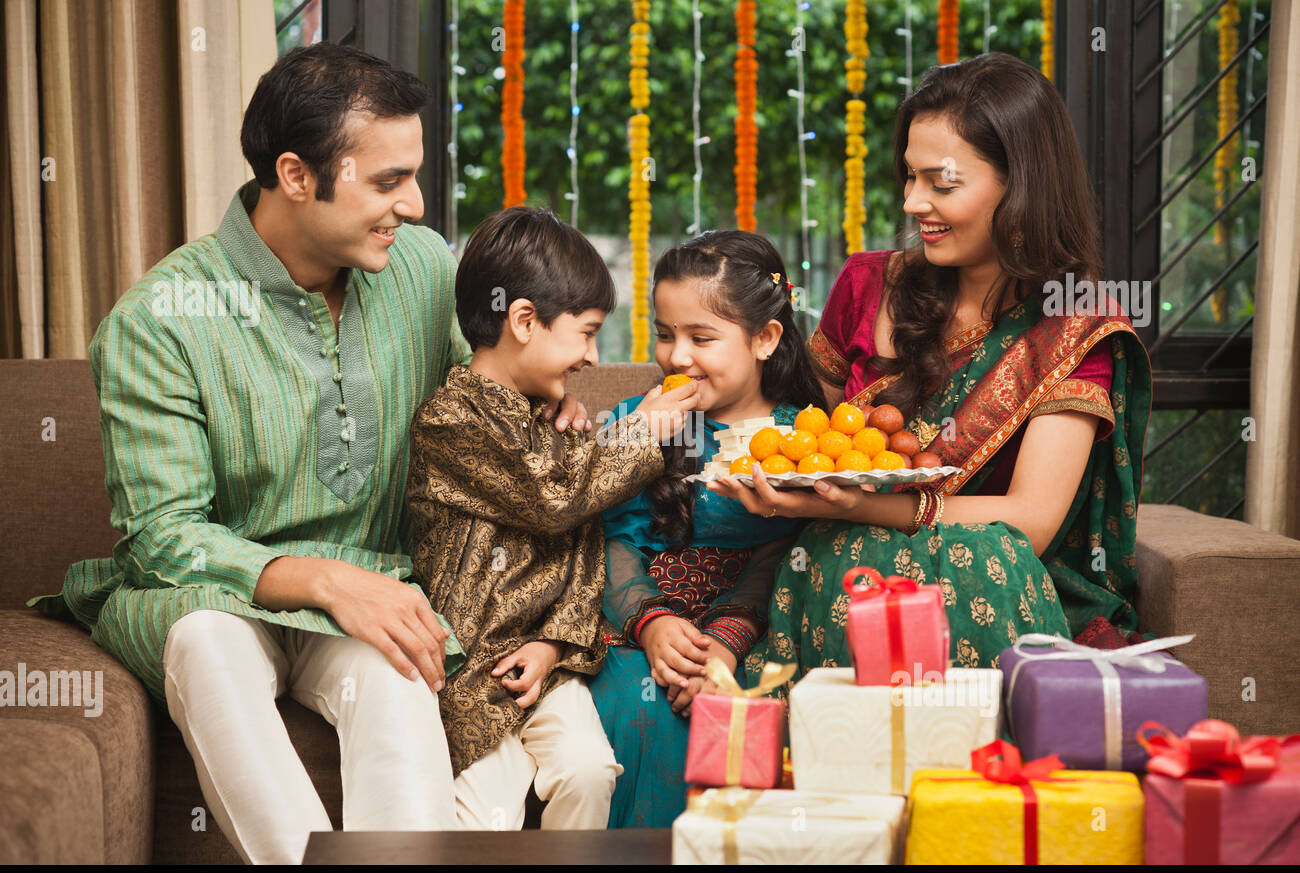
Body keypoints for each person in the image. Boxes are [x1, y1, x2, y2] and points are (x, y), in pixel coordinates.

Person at [27, 44, 593, 864]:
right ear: (296, 175)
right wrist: (330, 580)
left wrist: (544, 396)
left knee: (402, 664)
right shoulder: (159, 321)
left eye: (416, 174)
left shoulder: (428, 270)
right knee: (210, 646)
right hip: (211, 598)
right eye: (388, 180)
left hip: (380, 589)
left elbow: (477, 401)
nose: (416, 201)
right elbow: (163, 536)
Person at [709, 53, 1153, 683]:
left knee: (981, 553)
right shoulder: (868, 285)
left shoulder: (1073, 328)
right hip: (833, 574)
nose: (915, 202)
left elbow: (1029, 519)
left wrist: (860, 510)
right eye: (910, 177)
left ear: (1021, 184)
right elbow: (793, 428)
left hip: (985, 584)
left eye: (942, 184)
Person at [405, 206, 701, 830]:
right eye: (586, 333)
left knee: (591, 772)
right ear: (522, 320)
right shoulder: (451, 422)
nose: (593, 358)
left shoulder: (554, 420)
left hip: (549, 661)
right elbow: (555, 498)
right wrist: (640, 432)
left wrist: (555, 643)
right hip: (471, 667)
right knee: (488, 814)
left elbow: (584, 539)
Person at [590, 231, 823, 828]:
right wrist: (653, 622)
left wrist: (728, 635)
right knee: (638, 710)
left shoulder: (802, 440)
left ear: (765, 339)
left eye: (702, 337)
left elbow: (788, 549)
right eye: (666, 334)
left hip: (755, 627)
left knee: (744, 705)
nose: (677, 357)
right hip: (640, 624)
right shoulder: (639, 421)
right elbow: (614, 538)